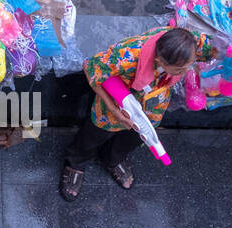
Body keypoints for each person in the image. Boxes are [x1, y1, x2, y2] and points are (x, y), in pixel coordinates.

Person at [60, 26, 211, 201]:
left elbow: (216, 48)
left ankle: (113, 159)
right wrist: (115, 111)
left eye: (188, 65)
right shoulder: (127, 55)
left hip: (152, 107)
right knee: (95, 135)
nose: (185, 72)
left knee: (137, 136)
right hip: (116, 105)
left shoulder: (187, 43)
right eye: (179, 70)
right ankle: (76, 163)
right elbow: (90, 67)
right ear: (160, 61)